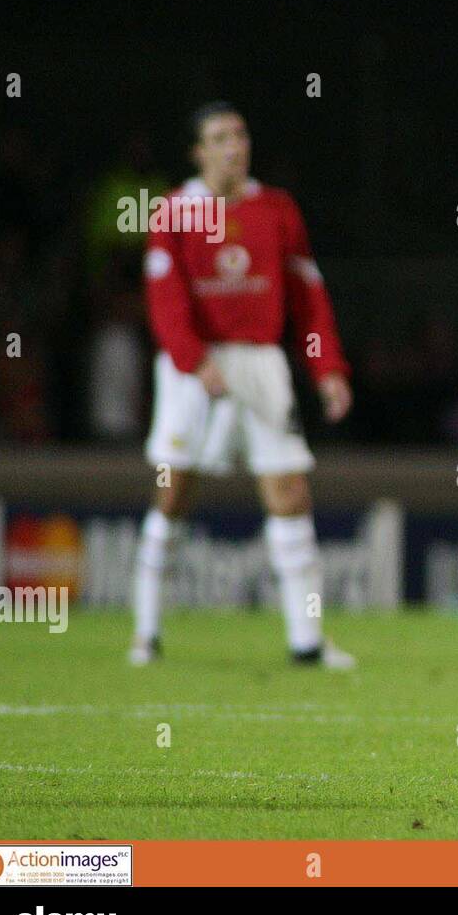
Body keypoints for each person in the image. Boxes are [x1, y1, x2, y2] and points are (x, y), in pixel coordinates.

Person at [130, 102, 355, 668]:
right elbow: (164, 297)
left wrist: (326, 368)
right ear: (197, 152)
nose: (234, 145)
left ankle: (306, 642)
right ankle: (146, 634)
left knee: (291, 494)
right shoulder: (175, 212)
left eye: (240, 133)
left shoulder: (276, 209)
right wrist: (192, 359)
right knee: (174, 493)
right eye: (220, 137)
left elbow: (308, 296)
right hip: (193, 371)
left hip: (261, 365)